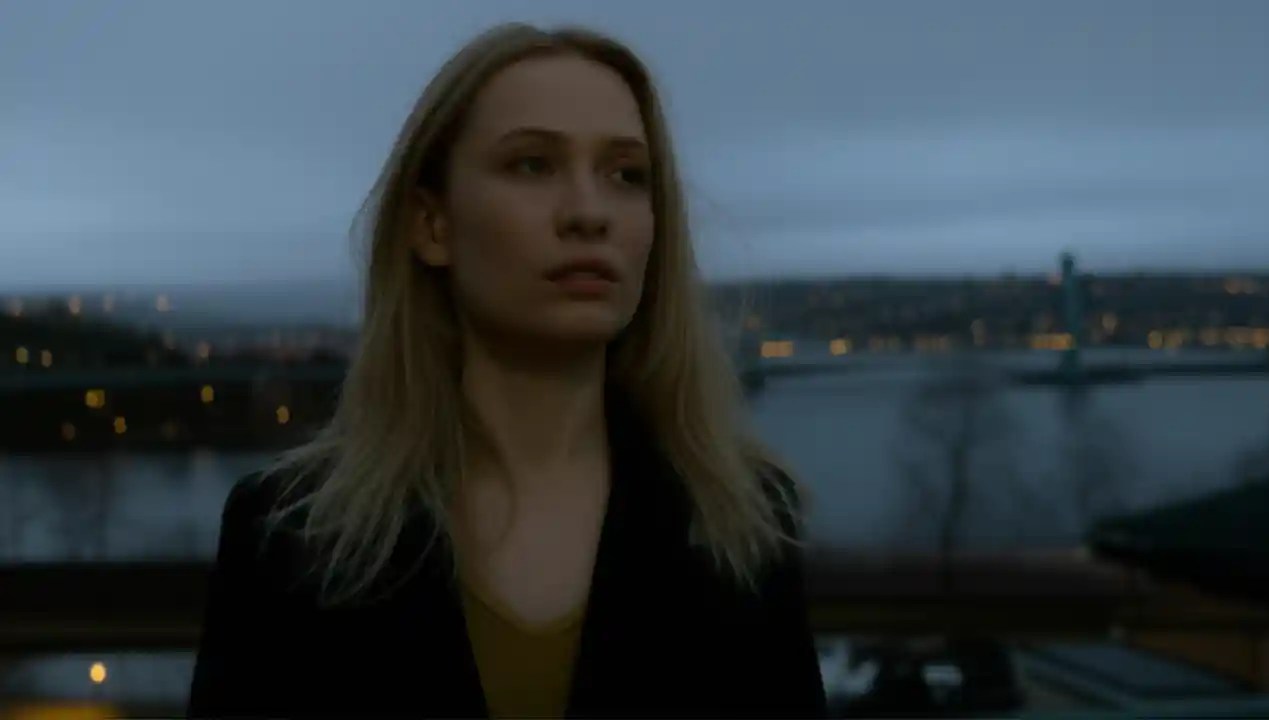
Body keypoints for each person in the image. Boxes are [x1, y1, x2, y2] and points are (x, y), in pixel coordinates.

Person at [187, 22, 826, 719]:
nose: (589, 214)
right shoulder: (288, 535)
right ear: (432, 224)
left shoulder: (746, 524)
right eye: (532, 164)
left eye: (626, 175)